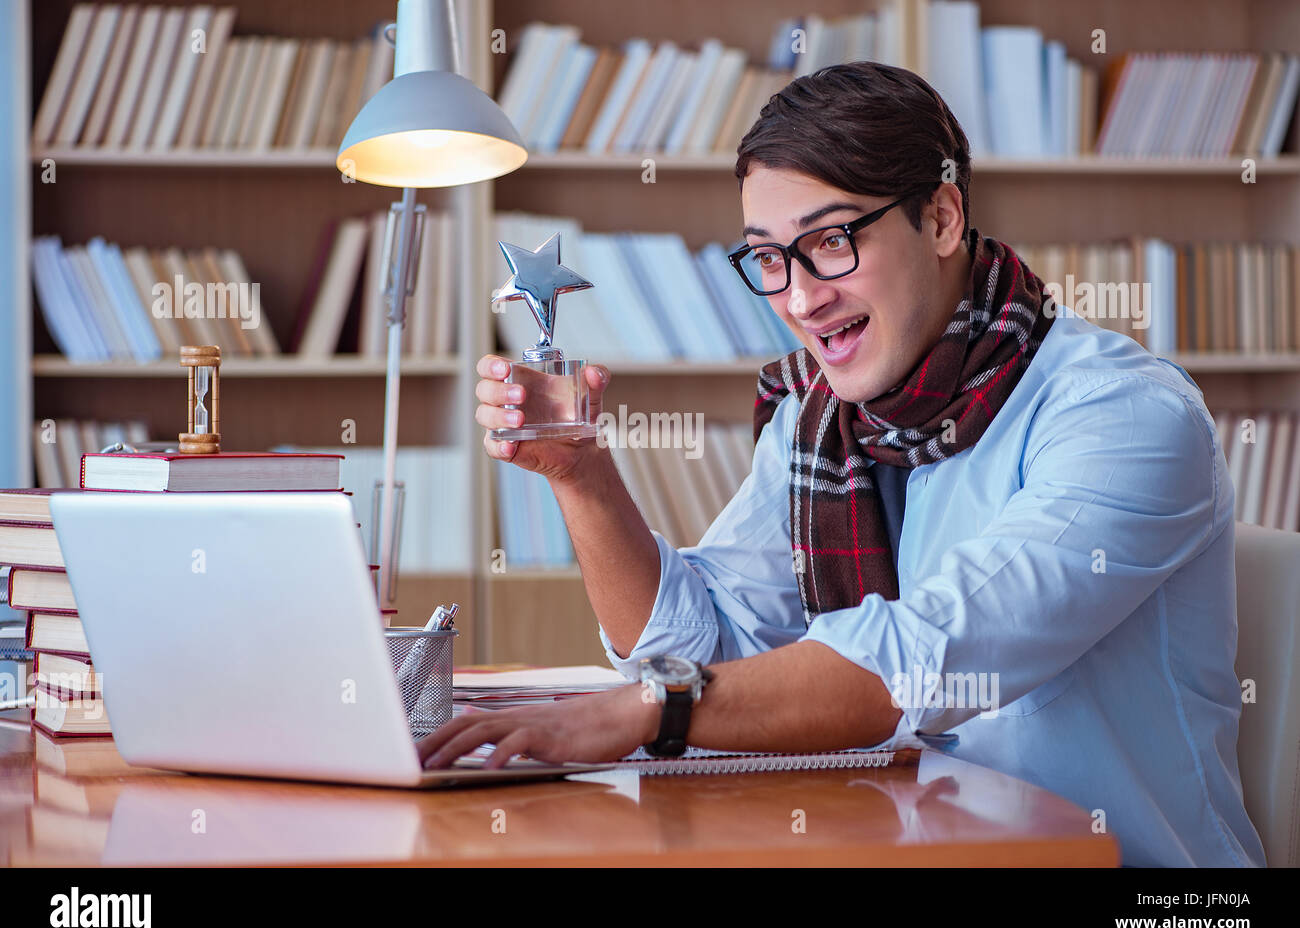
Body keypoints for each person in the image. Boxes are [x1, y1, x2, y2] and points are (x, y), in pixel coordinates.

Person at [419, 61, 1265, 867]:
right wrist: (582, 477)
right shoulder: (822, 422)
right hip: (907, 847)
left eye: (829, 241)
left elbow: (927, 652)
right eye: (769, 257)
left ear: (940, 217)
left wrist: (651, 709)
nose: (798, 296)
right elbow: (702, 644)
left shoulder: (1123, 416)